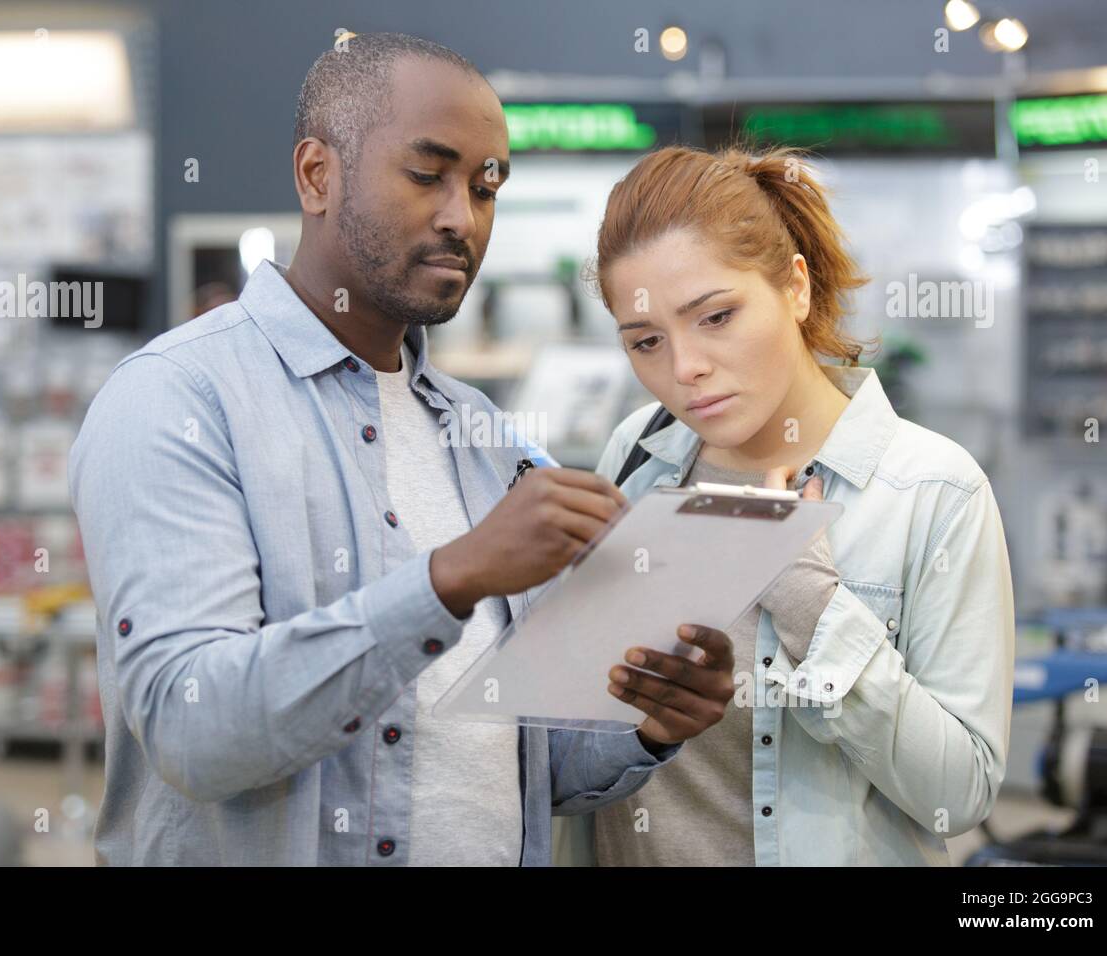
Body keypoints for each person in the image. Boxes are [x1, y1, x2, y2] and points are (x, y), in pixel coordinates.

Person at [69, 33, 735, 866]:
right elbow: (194, 731)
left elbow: (516, 766)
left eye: (486, 186)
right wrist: (448, 579)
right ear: (317, 175)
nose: (463, 216)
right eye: (429, 175)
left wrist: (645, 722)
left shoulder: (482, 437)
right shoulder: (177, 399)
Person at [573, 144, 1015, 865]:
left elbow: (961, 794)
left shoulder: (933, 490)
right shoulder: (637, 453)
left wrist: (814, 605)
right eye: (646, 341)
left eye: (715, 317)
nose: (684, 369)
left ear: (797, 288)